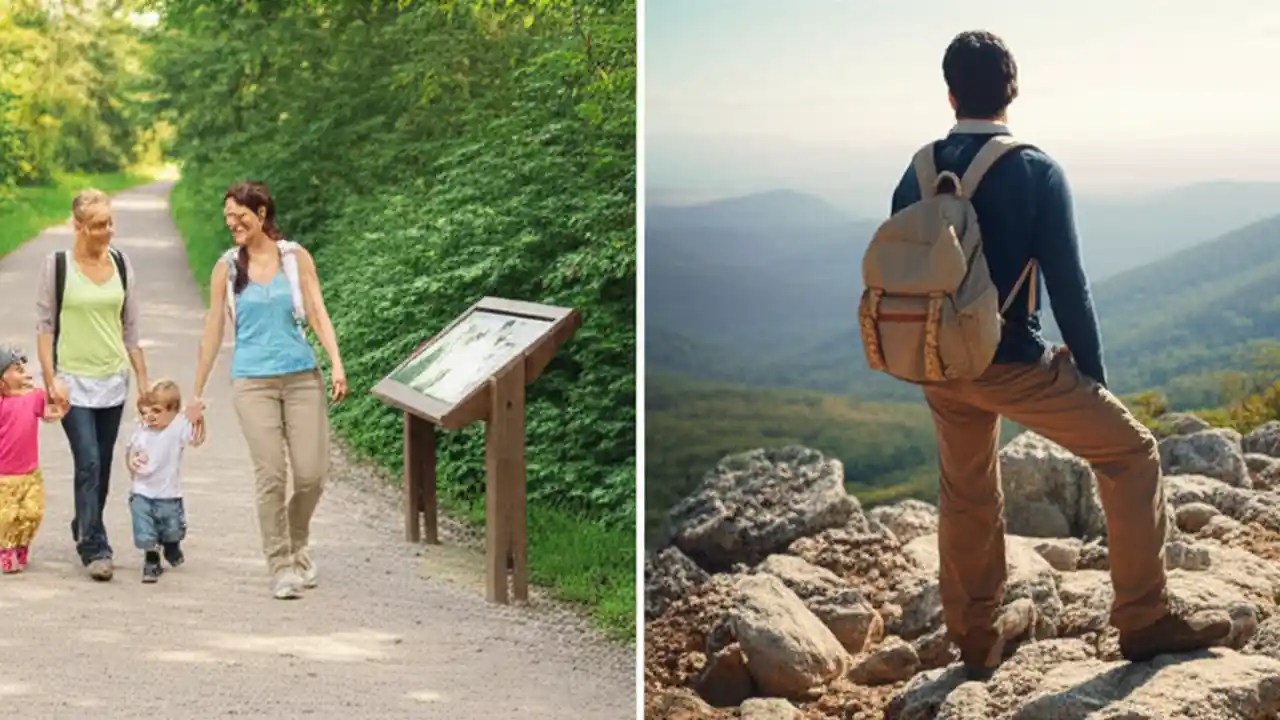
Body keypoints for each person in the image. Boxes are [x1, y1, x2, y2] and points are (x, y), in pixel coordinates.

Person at [887, 31, 1232, 678]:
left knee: (966, 492)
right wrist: (1096, 383)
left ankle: (975, 637)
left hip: (937, 364)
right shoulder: (1034, 170)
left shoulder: (918, 169)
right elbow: (1069, 285)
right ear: (1012, 89)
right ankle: (1144, 616)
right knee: (1131, 455)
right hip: (1013, 364)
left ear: (950, 92)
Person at [190, 180, 347, 600]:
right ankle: (280, 565)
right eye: (228, 218)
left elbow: (316, 308)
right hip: (252, 380)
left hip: (301, 376)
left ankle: (297, 542)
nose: (233, 224)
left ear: (261, 215)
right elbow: (212, 329)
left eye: (240, 216)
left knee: (312, 474)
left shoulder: (295, 258)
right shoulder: (226, 267)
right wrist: (196, 391)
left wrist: (335, 361)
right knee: (272, 475)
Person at [35, 188, 149, 582]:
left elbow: (131, 330)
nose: (108, 231)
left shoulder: (121, 263)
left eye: (110, 222)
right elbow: (45, 329)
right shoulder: (58, 266)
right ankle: (94, 546)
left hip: (113, 379)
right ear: (79, 226)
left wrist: (144, 382)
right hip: (72, 380)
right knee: (88, 461)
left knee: (101, 465)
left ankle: (85, 523)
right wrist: (51, 382)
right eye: (100, 225)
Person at [125, 380, 205, 583]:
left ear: (173, 411)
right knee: (144, 529)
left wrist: (198, 419)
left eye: (156, 411)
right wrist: (132, 463)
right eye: (144, 412)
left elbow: (196, 439)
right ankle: (151, 560)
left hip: (168, 493)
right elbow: (130, 450)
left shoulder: (177, 428)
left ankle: (171, 545)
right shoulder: (142, 429)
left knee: (172, 529)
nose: (149, 416)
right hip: (142, 490)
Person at [0, 346, 68, 573]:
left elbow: (48, 415)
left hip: (30, 472)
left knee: (32, 512)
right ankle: (6, 550)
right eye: (16, 369)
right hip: (4, 475)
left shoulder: (34, 396)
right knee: (7, 516)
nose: (23, 373)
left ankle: (22, 542)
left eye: (22, 369)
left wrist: (61, 408)